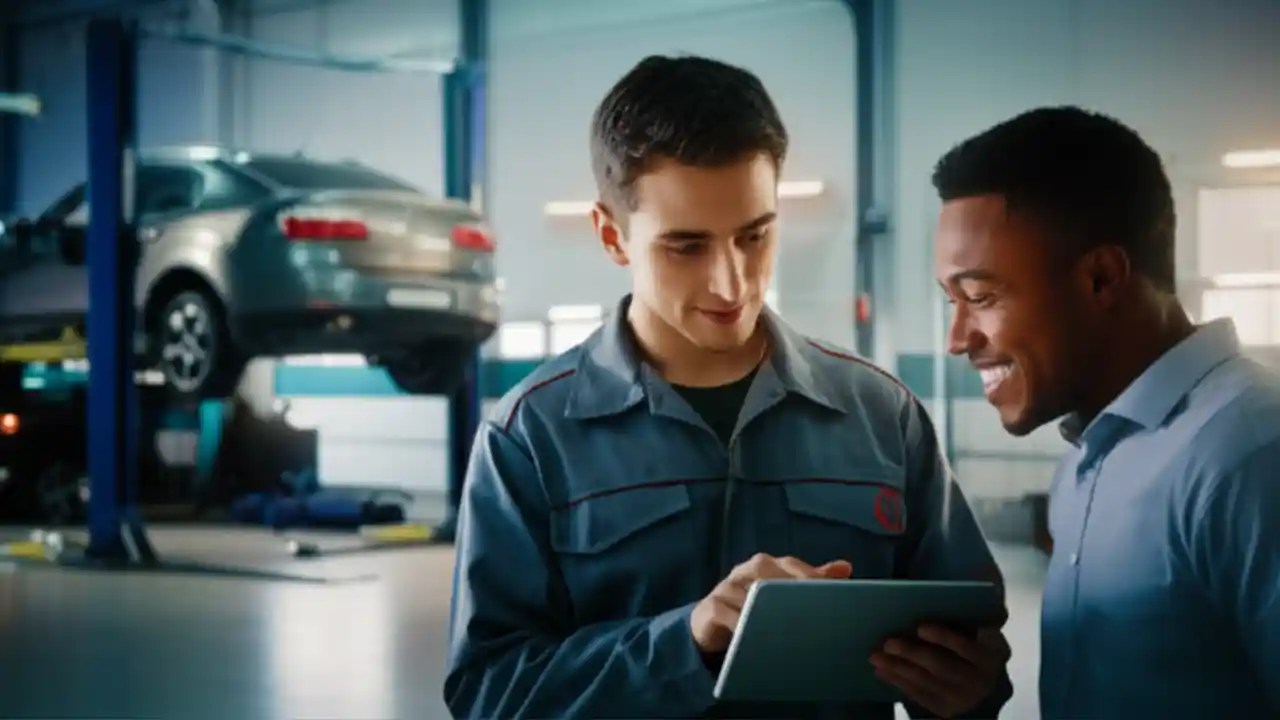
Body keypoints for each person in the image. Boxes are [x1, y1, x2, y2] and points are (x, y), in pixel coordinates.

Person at [445, 54, 1013, 719]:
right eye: (686, 246)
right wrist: (685, 641)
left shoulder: (882, 415)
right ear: (612, 235)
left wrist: (965, 691)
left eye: (755, 235)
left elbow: (973, 660)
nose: (732, 281)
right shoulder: (531, 437)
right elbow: (490, 691)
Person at [932, 106, 1280, 719]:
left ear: (1100, 277)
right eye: (951, 302)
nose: (957, 338)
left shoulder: (1248, 454)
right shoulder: (1087, 462)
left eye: (980, 297)